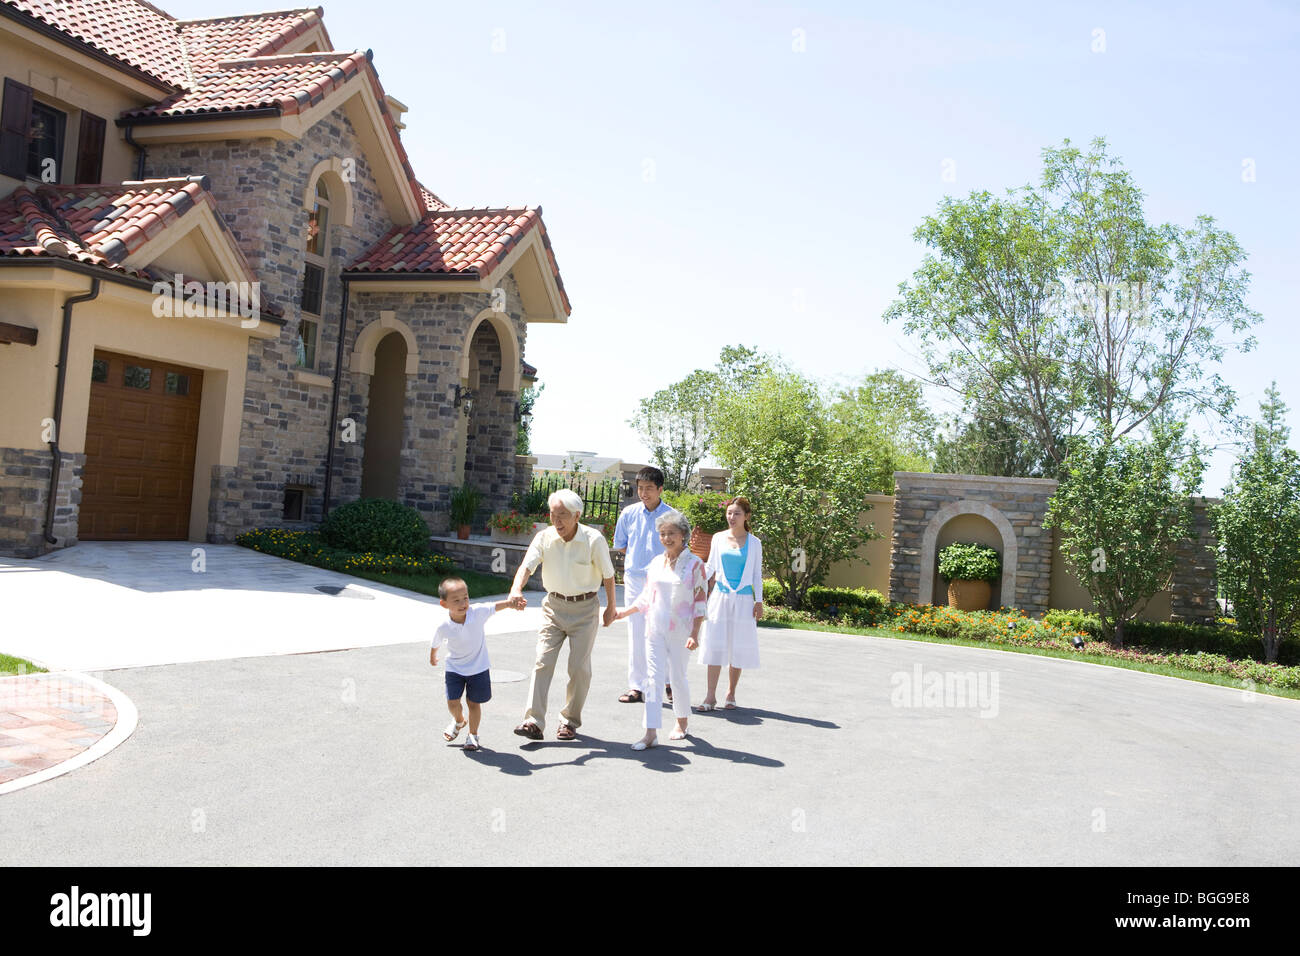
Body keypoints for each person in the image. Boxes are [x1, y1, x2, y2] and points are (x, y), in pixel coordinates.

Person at [510, 489, 616, 741]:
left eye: (563, 516)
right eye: (553, 515)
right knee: (542, 661)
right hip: (553, 608)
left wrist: (611, 607)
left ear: (577, 515)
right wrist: (516, 588)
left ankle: (569, 720)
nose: (556, 521)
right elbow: (527, 566)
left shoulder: (594, 540)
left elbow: (609, 575)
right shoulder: (544, 537)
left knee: (579, 668)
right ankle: (533, 721)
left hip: (585, 609)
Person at [614, 510, 706, 749]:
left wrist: (695, 634)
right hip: (654, 628)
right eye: (662, 534)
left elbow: (700, 602)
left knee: (677, 677)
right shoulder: (656, 562)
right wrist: (625, 612)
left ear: (683, 535)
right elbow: (646, 596)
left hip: (681, 631)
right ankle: (650, 732)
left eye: (671, 533)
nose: (666, 538)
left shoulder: (695, 564)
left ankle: (682, 723)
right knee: (652, 679)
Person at [430, 578, 526, 752]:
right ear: (444, 604)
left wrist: (512, 603)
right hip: (454, 669)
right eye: (456, 600)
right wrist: (433, 656)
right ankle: (459, 720)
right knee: (452, 702)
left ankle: (472, 735)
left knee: (474, 703)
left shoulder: (477, 613)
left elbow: (495, 606)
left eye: (465, 598)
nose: (463, 603)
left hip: (478, 668)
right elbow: (435, 642)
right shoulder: (444, 626)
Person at [611, 466, 679, 704]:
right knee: (637, 633)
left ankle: (670, 683)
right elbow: (621, 544)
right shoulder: (628, 513)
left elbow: (680, 549)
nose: (644, 493)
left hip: (663, 581)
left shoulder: (672, 516)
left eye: (649, 488)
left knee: (665, 631)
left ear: (660, 489)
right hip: (634, 579)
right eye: (640, 488)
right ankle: (637, 686)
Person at [696, 496, 763, 711]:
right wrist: (694, 577)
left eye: (737, 513)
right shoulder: (717, 538)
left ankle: (731, 693)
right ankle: (710, 696)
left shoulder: (754, 543)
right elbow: (710, 568)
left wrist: (759, 601)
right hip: (720, 598)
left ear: (746, 516)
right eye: (729, 513)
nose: (731, 517)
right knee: (714, 644)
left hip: (743, 600)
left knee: (738, 646)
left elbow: (756, 575)